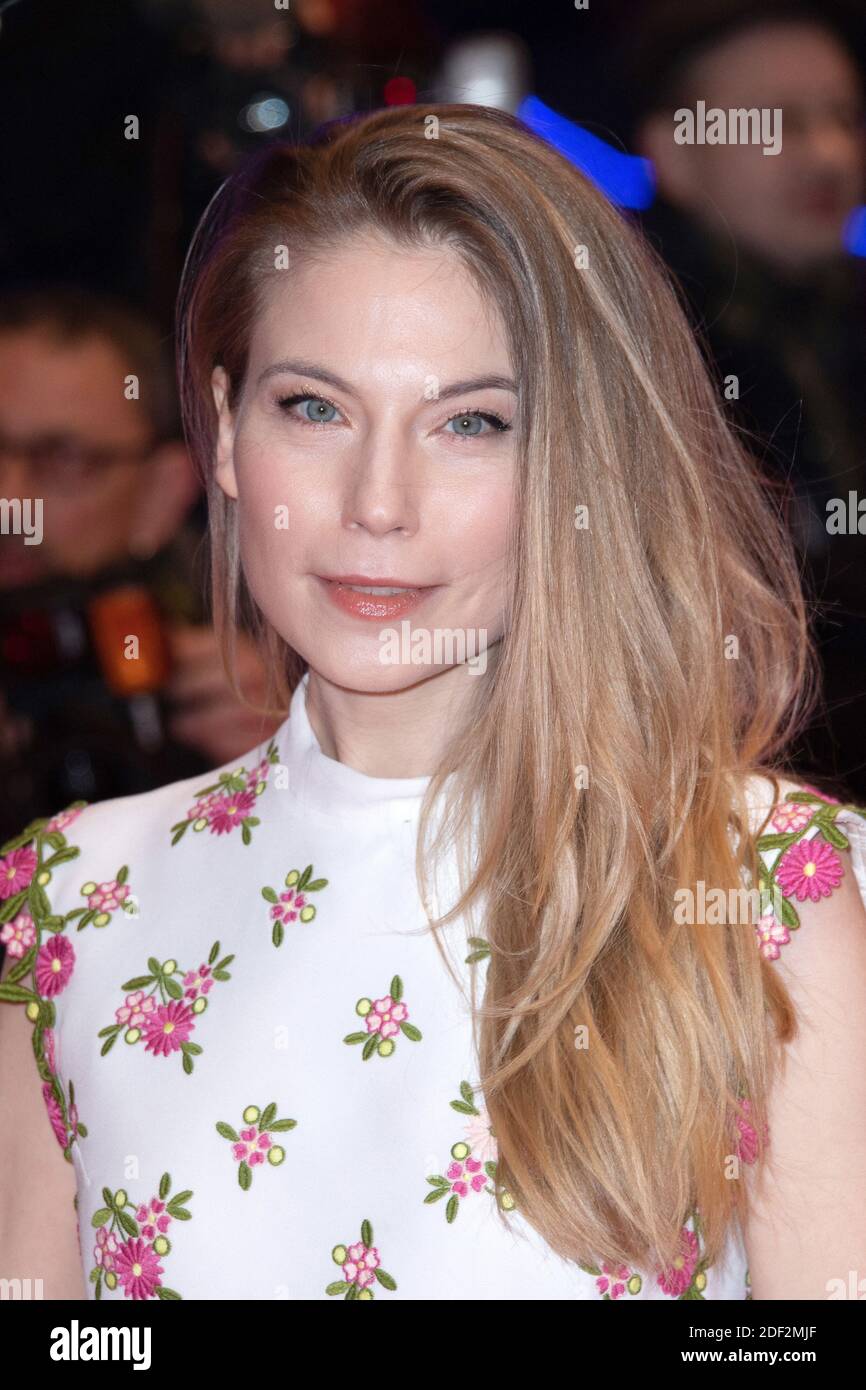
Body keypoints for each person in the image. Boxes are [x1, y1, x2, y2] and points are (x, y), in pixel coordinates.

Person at [2, 102, 865, 1303]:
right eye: (313, 407)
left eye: (470, 422)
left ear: (577, 463)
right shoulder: (70, 907)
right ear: (227, 435)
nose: (378, 501)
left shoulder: (769, 885)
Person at [627, 0, 866, 796]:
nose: (830, 154)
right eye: (781, 125)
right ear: (674, 152)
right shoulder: (620, 346)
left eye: (844, 118)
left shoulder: (840, 317)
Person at [0, 286, 283, 845]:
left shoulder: (262, 652)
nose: (10, 501)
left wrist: (299, 770)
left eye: (64, 461)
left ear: (162, 492)